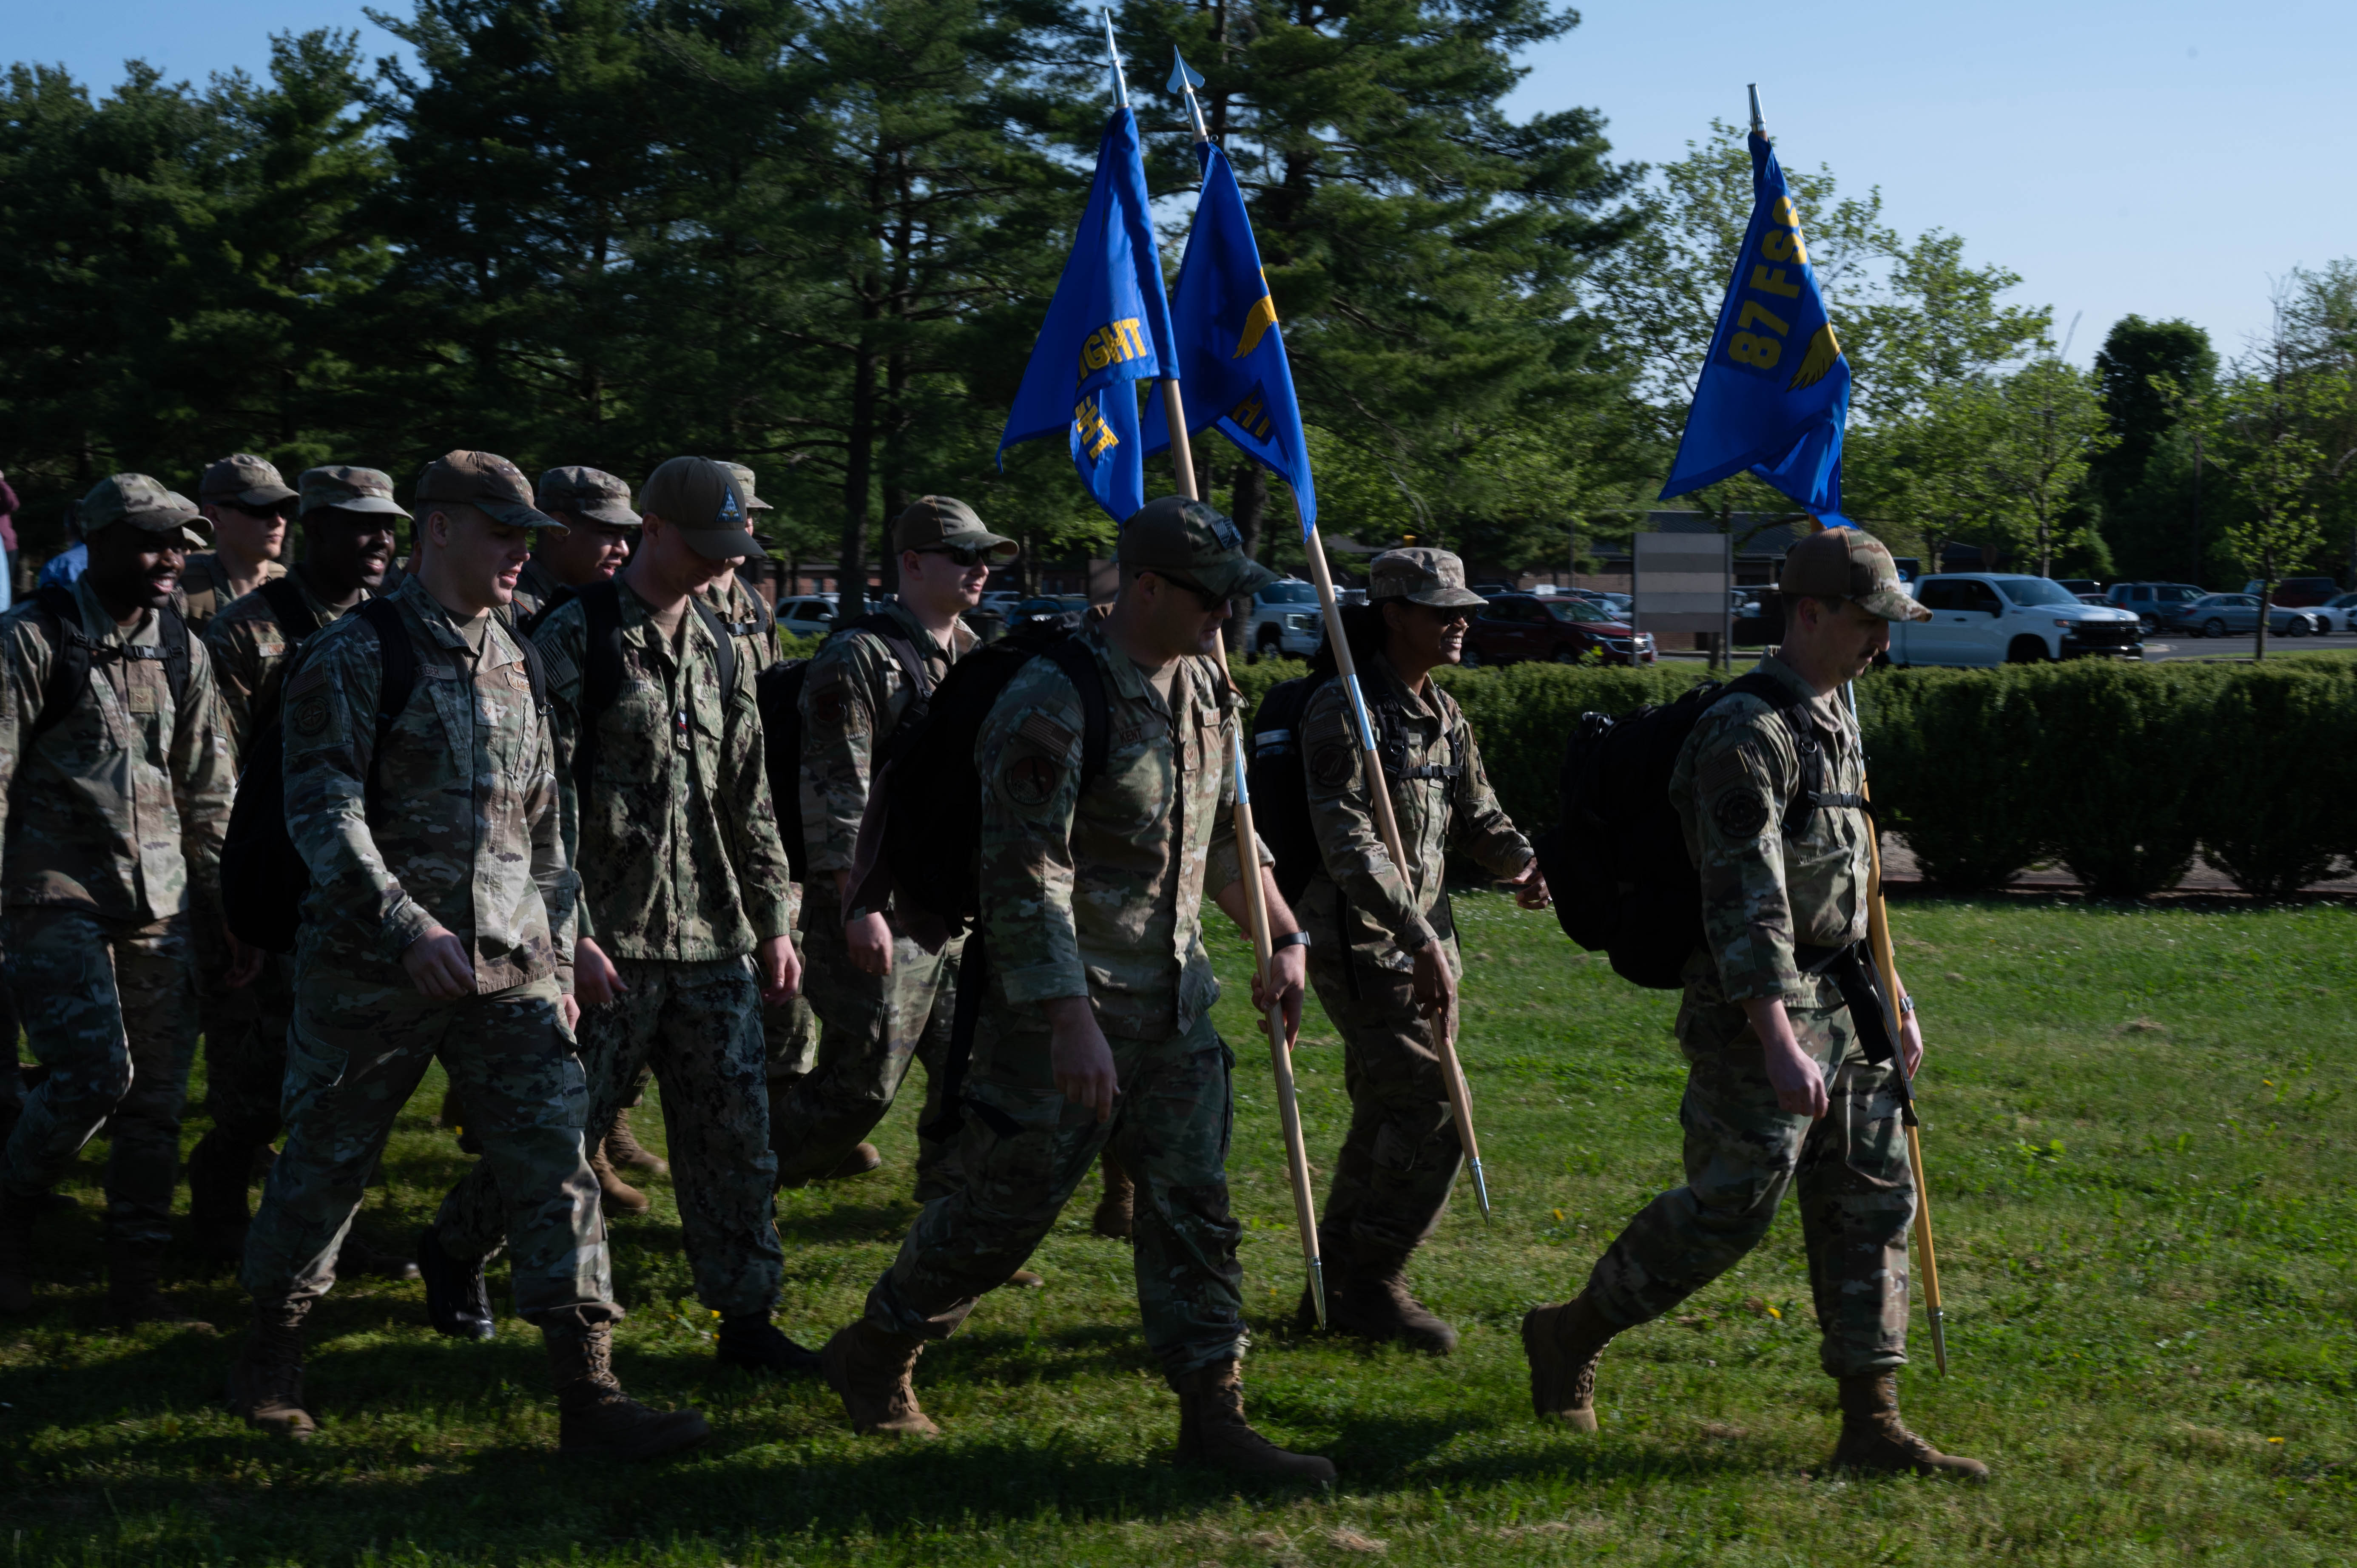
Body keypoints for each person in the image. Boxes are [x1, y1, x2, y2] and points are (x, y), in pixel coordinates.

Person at [821, 496, 1333, 1486]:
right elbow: (1021, 878)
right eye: (1208, 599)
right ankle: (878, 1345)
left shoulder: (1204, 689)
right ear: (1144, 587)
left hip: (1173, 1005)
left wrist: (1281, 931)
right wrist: (1067, 1021)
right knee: (1000, 1215)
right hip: (1059, 1013)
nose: (1224, 617)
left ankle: (1210, 1415)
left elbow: (1223, 847)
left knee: (1194, 1208)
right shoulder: (1052, 703)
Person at [229, 450, 705, 1459]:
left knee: (554, 1164)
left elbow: (546, 815)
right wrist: (406, 923)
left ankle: (591, 1393)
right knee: (323, 1162)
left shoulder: (520, 646)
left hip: (510, 964)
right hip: (372, 966)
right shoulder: (354, 653)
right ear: (437, 527)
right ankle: (270, 1354)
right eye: (501, 529)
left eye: (528, 532)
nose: (519, 550)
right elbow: (323, 806)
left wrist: (565, 937)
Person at [1523, 528, 1986, 1481]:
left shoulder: (1835, 709)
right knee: (1731, 1205)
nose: (1881, 644)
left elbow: (1851, 873)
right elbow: (1742, 897)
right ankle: (1567, 1332)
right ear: (1808, 612)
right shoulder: (1743, 733)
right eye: (1867, 622)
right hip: (1755, 1003)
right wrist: (1775, 1037)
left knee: (1870, 1196)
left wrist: (1890, 993)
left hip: (1844, 991)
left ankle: (1871, 1424)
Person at [424, 456, 820, 1375]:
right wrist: (573, 936)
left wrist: (772, 919)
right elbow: (533, 800)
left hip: (711, 935)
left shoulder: (726, 643)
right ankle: (453, 1243)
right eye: (705, 546)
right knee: (565, 1129)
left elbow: (748, 796)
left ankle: (747, 1316)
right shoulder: (572, 642)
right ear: (655, 530)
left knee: (732, 1137)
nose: (722, 565)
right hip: (610, 939)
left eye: (733, 547)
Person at [1294, 547, 1548, 1354]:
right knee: (1436, 1112)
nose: (1460, 620)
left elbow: (1477, 816)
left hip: (1427, 947)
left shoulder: (1441, 712)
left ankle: (1331, 1290)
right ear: (1393, 613)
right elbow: (1348, 844)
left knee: (1387, 1108)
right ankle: (1369, 1283)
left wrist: (1527, 862)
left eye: (1462, 606)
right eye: (1442, 609)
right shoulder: (1344, 711)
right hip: (1364, 943)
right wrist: (1412, 933)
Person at [0, 476, 240, 1324]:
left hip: (161, 904)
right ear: (96, 541)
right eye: (150, 540)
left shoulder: (184, 647)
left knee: (158, 1102)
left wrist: (225, 907)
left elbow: (209, 789)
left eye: (181, 539)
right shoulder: (34, 637)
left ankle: (135, 1285)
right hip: (51, 895)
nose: (171, 556)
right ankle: (12, 1217)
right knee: (96, 1074)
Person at [186, 466, 413, 1277]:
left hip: (357, 885)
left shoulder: (395, 625)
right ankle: (215, 1211)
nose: (380, 539)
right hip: (274, 880)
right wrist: (230, 909)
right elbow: (215, 779)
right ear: (315, 528)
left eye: (388, 524)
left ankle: (327, 1233)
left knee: (347, 1081)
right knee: (255, 1080)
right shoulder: (248, 633)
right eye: (359, 525)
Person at [780, 496, 1013, 1198]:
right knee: (865, 1081)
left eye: (984, 557)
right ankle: (742, 1162)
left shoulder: (974, 654)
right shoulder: (856, 657)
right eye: (962, 555)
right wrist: (858, 906)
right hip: (878, 904)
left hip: (951, 902)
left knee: (966, 1068)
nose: (979, 569)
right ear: (912, 563)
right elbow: (834, 789)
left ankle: (955, 1220)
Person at [510, 466, 639, 625]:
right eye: (608, 533)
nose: (623, 550)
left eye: (625, 534)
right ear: (558, 528)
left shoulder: (611, 603)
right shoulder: (503, 600)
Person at [185, 454, 294, 626]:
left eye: (284, 509)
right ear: (215, 516)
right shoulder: (178, 591)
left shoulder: (291, 588)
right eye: (263, 508)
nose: (279, 521)